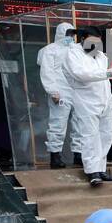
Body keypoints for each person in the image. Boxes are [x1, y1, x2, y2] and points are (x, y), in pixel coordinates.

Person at [62, 27, 112, 186]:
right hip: (86, 101)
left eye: (98, 41)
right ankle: (92, 171)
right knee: (90, 136)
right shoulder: (72, 53)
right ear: (82, 40)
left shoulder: (101, 56)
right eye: (92, 41)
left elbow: (105, 83)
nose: (96, 44)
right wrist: (109, 73)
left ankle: (101, 169)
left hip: (105, 102)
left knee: (105, 136)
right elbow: (81, 74)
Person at [39, 22, 77, 169]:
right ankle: (55, 156)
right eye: (68, 34)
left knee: (79, 124)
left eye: (72, 34)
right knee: (57, 124)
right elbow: (47, 72)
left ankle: (78, 154)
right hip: (60, 92)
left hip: (77, 92)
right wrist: (53, 91)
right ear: (61, 34)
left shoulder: (76, 49)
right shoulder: (50, 50)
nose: (71, 37)